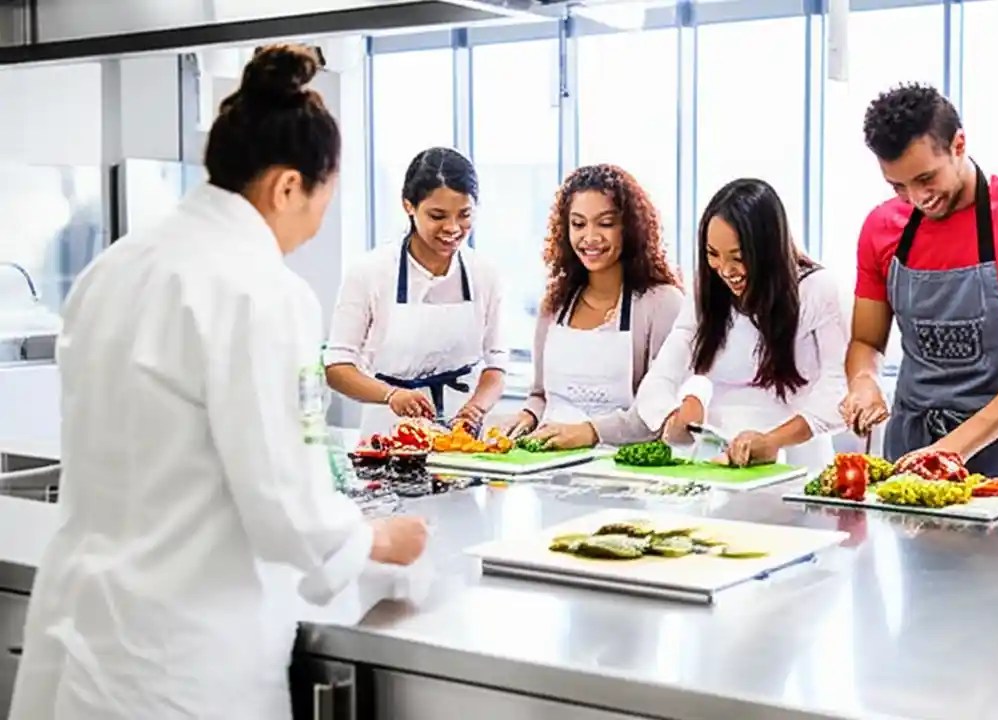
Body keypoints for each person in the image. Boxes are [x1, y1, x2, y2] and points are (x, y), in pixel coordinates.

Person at [9, 45, 427, 720]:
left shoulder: (114, 267)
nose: (320, 219)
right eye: (325, 196)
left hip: (80, 646)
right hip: (182, 668)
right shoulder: (262, 291)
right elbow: (283, 504)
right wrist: (376, 540)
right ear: (288, 186)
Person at [839, 82, 998, 488]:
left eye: (926, 178)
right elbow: (865, 341)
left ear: (959, 144)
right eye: (898, 186)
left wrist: (954, 448)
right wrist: (863, 382)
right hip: (910, 451)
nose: (916, 198)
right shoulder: (881, 228)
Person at [627, 178, 848, 471]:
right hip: (720, 462)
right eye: (713, 255)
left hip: (797, 462)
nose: (726, 270)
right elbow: (661, 377)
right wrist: (671, 417)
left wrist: (773, 440)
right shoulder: (706, 290)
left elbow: (838, 388)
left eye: (738, 257)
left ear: (768, 250)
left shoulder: (817, 289)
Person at [324, 147, 506, 437]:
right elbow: (337, 367)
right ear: (409, 206)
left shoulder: (484, 273)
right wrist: (391, 395)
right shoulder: (370, 272)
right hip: (387, 431)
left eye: (464, 215)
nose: (453, 228)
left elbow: (496, 363)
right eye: (437, 215)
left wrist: (476, 409)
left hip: (463, 434)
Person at [503, 164, 684, 449]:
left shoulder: (662, 304)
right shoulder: (555, 304)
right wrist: (527, 416)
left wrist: (590, 432)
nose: (590, 237)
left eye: (605, 223)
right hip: (549, 467)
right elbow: (540, 396)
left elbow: (656, 413)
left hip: (622, 475)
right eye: (578, 224)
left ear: (630, 227)